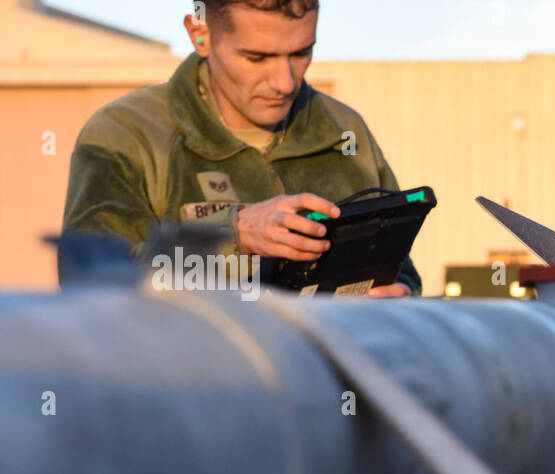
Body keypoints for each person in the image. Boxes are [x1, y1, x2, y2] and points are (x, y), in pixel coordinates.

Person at [61, 0, 419, 296]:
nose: (284, 82)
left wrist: (396, 301)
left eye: (300, 53)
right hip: (188, 381)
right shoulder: (125, 134)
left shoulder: (345, 131)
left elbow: (402, 273)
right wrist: (233, 236)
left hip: (322, 379)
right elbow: (92, 284)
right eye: (257, 57)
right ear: (200, 35)